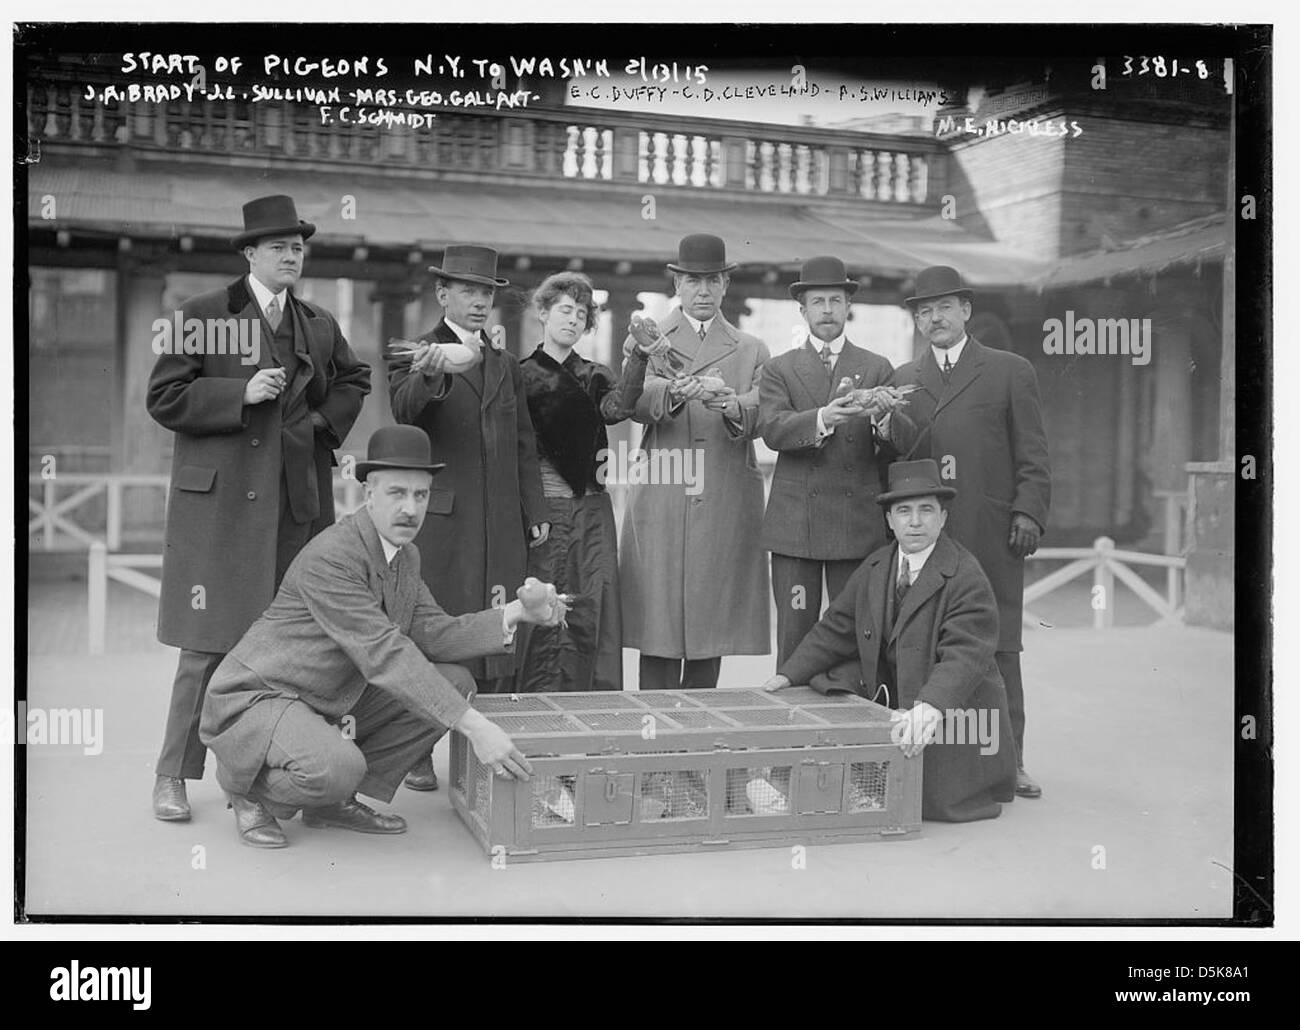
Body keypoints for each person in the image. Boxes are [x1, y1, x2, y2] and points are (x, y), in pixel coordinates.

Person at [198, 426, 565, 849]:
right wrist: (479, 729)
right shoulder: (333, 556)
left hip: (324, 697)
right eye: (397, 493)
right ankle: (245, 786)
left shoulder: (404, 554)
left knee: (455, 683)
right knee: (336, 766)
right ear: (368, 494)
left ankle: (331, 803)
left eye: (421, 495)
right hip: (259, 697)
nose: (410, 509)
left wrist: (519, 612)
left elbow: (435, 634)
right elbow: (385, 655)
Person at [146, 195, 371, 822]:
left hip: (296, 511)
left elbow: (356, 379)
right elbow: (164, 397)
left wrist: (322, 425)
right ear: (250, 253)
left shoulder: (319, 323)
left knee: (290, 651)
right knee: (207, 647)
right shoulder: (203, 314)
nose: (292, 256)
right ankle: (172, 777)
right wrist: (238, 392)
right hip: (218, 515)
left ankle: (260, 785)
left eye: (298, 247)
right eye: (279, 247)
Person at [761, 459, 1017, 822]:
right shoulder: (877, 565)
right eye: (904, 511)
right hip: (896, 696)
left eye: (926, 510)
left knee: (920, 797)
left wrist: (930, 707)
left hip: (957, 711)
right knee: (828, 683)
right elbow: (836, 627)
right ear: (889, 520)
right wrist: (788, 675)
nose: (915, 521)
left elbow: (965, 656)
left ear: (943, 518)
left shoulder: (965, 574)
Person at [387, 244, 549, 790]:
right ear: (442, 294)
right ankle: (415, 751)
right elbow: (404, 411)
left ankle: (489, 750)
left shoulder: (505, 363)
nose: (479, 302)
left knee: (499, 631)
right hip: (446, 524)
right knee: (437, 635)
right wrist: (430, 374)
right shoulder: (416, 351)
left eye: (486, 293)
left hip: (502, 522)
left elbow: (525, 442)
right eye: (468, 292)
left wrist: (536, 509)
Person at [892, 266, 1051, 799]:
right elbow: (894, 459)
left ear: (966, 311)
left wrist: (1028, 512)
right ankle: (932, 761)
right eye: (923, 311)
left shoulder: (1009, 370)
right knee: (929, 641)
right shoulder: (902, 381)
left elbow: (1033, 451)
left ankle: (1015, 760)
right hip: (926, 534)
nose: (933, 318)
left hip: (991, 531)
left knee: (1000, 645)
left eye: (943, 307)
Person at [619, 233, 771, 690]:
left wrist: (731, 403)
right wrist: (672, 392)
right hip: (665, 494)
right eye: (692, 281)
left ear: (725, 285)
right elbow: (631, 400)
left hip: (723, 494)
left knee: (711, 630)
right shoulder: (646, 340)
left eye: (712, 281)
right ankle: (656, 749)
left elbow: (765, 412)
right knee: (659, 629)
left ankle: (698, 752)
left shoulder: (751, 348)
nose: (702, 291)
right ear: (677, 285)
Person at [758, 255, 914, 667]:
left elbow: (896, 448)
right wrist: (826, 417)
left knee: (856, 631)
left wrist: (882, 418)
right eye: (818, 301)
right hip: (796, 526)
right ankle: (794, 726)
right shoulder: (779, 369)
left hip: (856, 522)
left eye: (835, 300)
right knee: (795, 635)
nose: (827, 310)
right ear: (803, 310)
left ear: (848, 307)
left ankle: (851, 723)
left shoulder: (877, 366)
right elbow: (772, 430)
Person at [515, 271, 668, 691]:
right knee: (539, 604)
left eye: (582, 314)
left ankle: (593, 709)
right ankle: (530, 708)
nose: (572, 320)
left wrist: (636, 359)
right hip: (542, 510)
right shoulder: (518, 374)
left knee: (591, 604)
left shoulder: (594, 373)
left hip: (591, 510)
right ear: (543, 314)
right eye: (564, 310)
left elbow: (619, 408)